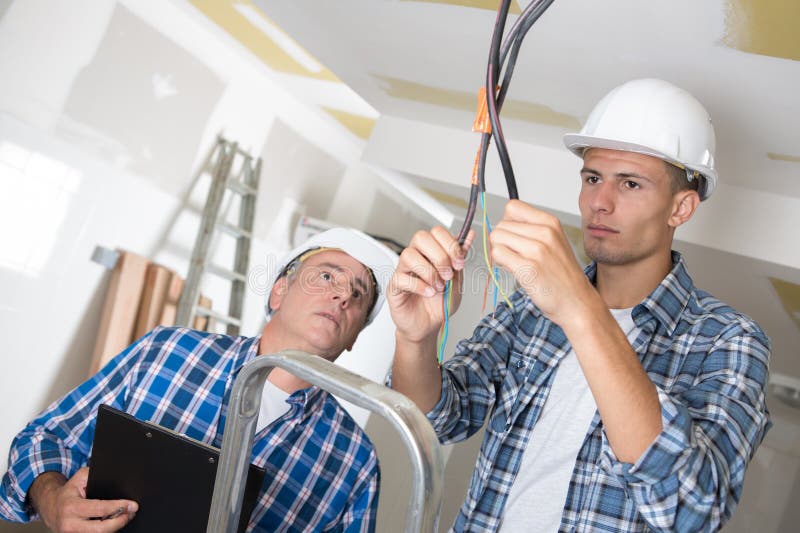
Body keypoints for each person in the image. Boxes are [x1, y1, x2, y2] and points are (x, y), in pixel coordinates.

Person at [387, 78, 771, 532]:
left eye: (630, 183)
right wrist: (416, 339)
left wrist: (579, 308)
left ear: (680, 208)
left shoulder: (727, 340)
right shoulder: (529, 311)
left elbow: (689, 508)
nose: (599, 203)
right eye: (592, 178)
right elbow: (439, 420)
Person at [0, 227, 397, 533]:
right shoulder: (169, 351)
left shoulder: (354, 463)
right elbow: (43, 438)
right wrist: (54, 501)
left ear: (354, 338)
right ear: (278, 291)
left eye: (358, 294)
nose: (343, 295)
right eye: (327, 276)